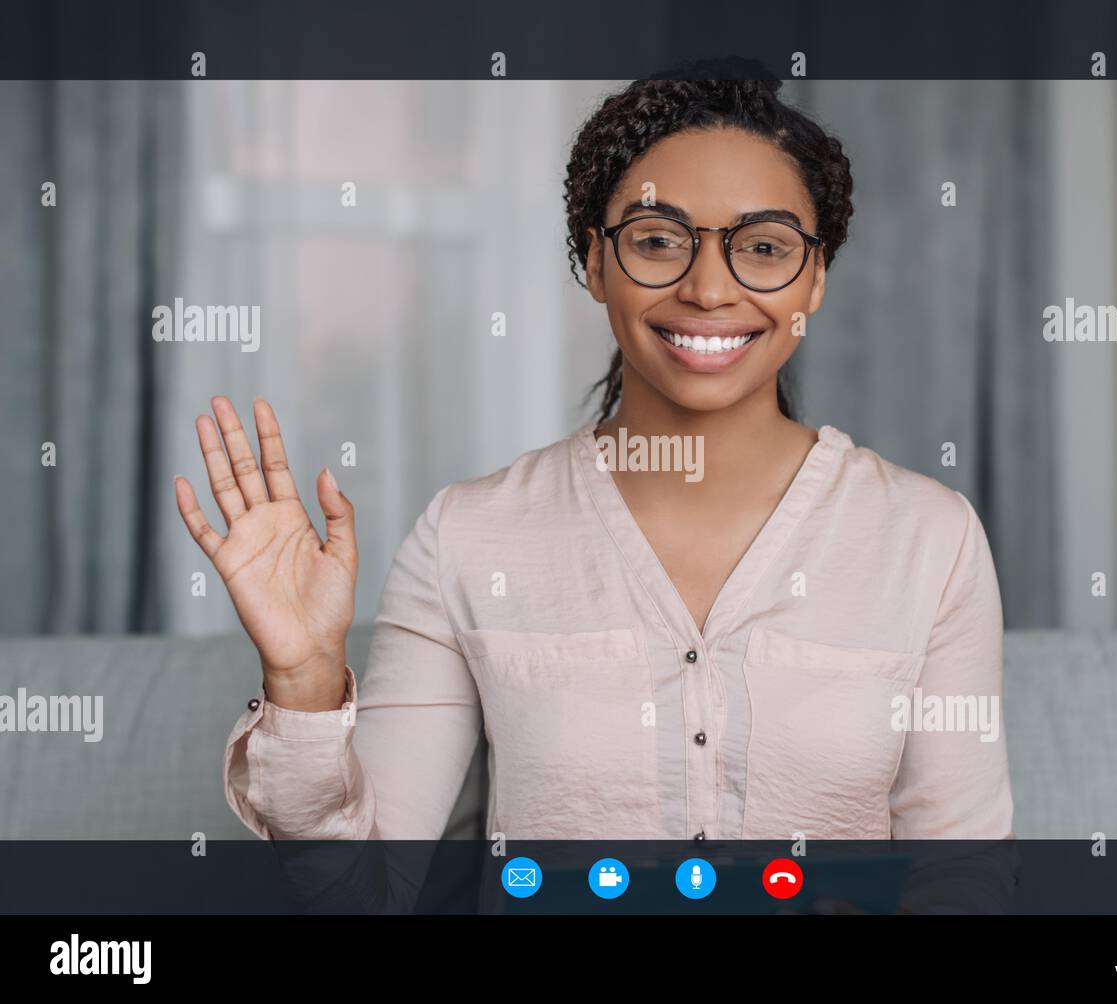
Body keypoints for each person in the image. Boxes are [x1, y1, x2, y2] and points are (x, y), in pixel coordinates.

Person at [174, 76, 1013, 911]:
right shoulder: (467, 535)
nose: (710, 289)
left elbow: (963, 876)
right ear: (595, 262)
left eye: (763, 246)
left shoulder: (928, 538)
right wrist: (307, 675)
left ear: (815, 277)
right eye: (657, 240)